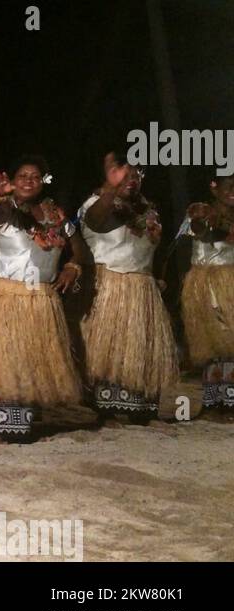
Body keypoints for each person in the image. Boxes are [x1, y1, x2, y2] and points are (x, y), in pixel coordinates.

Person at [0, 155, 83, 443]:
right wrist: (0, 198)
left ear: (43, 182)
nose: (29, 180)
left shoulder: (53, 213)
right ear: (11, 180)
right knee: (4, 360)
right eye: (22, 175)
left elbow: (77, 245)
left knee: (29, 361)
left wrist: (73, 266)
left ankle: (20, 424)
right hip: (3, 296)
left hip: (40, 298)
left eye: (36, 176)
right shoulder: (1, 208)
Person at [79, 150, 178, 424]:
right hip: (111, 287)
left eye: (137, 174)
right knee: (109, 349)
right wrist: (111, 189)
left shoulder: (148, 210)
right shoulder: (96, 205)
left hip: (143, 288)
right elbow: (96, 222)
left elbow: (150, 250)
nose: (132, 179)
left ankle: (137, 405)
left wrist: (157, 278)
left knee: (140, 349)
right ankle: (106, 406)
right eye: (125, 173)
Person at [180, 175, 234, 416]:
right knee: (209, 341)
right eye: (228, 185)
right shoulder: (198, 212)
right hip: (205, 282)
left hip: (230, 279)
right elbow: (202, 234)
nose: (232, 190)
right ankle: (213, 402)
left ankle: (230, 401)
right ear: (214, 187)